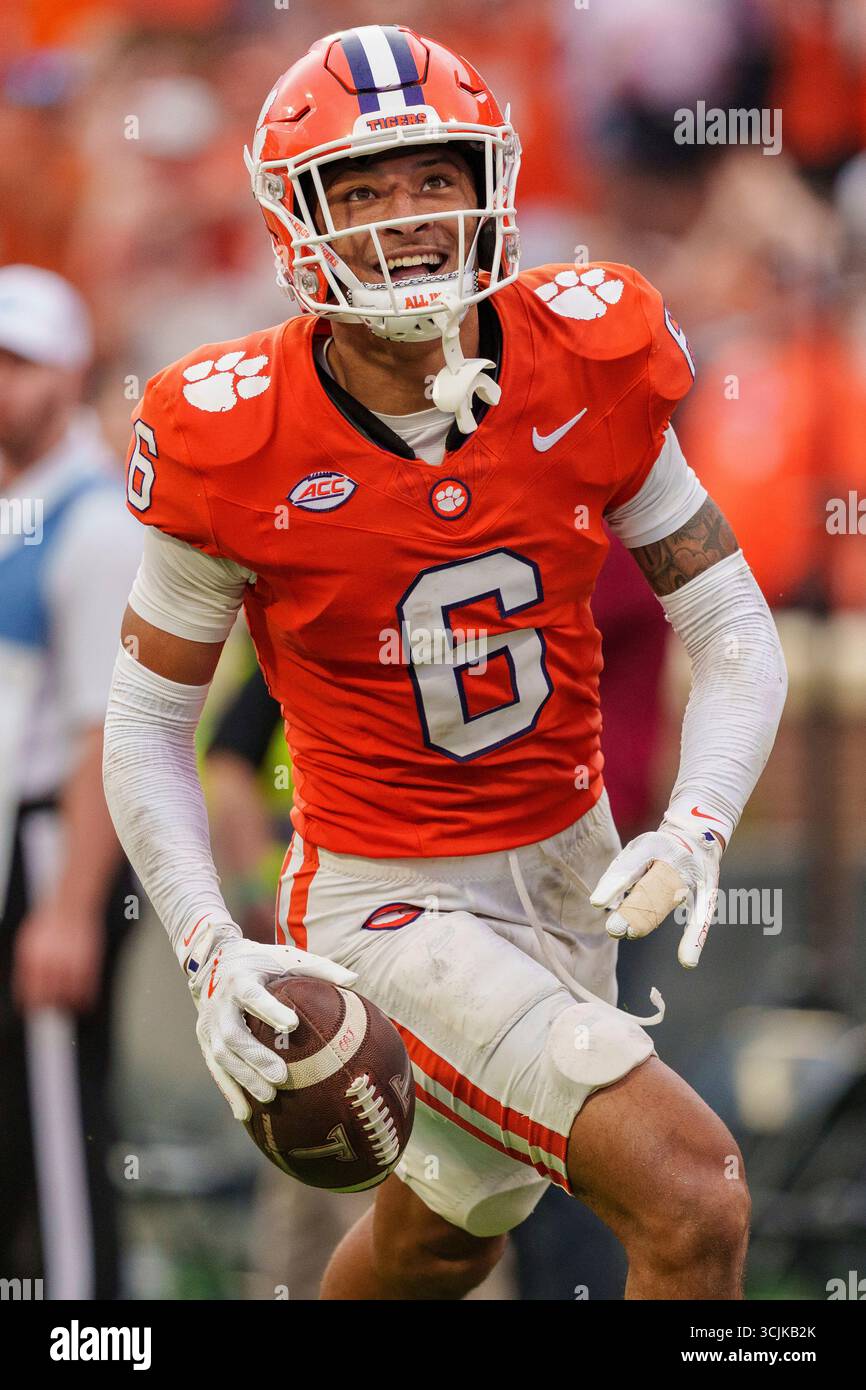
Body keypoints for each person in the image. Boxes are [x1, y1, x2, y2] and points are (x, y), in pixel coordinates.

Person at [103, 26, 788, 1300]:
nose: (404, 217)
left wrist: (695, 825)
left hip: (575, 868)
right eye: (359, 188)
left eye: (432, 178)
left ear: (491, 185)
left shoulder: (592, 353)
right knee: (694, 1196)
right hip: (384, 904)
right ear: (293, 217)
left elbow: (734, 628)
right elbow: (147, 724)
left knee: (445, 1238)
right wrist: (207, 943)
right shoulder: (228, 431)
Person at [0, 265, 141, 1298]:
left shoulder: (95, 521)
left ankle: (89, 1323)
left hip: (52, 846)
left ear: (69, 374)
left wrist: (71, 908)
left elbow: (110, 730)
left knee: (58, 1128)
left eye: (18, 364)